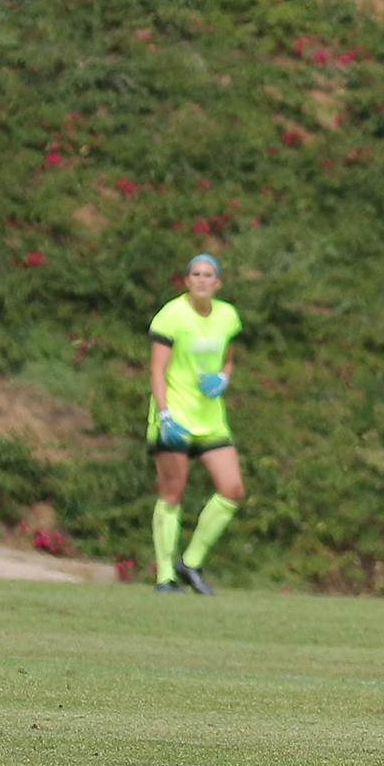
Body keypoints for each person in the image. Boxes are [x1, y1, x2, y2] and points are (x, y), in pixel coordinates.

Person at [147, 254, 247, 595]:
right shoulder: (172, 315)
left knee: (232, 490)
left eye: (209, 275)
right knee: (172, 492)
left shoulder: (227, 315)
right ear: (186, 280)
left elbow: (229, 360)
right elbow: (157, 369)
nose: (202, 280)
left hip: (210, 419)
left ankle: (190, 562)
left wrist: (223, 377)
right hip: (175, 416)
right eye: (196, 274)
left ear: (218, 283)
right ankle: (164, 577)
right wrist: (163, 414)